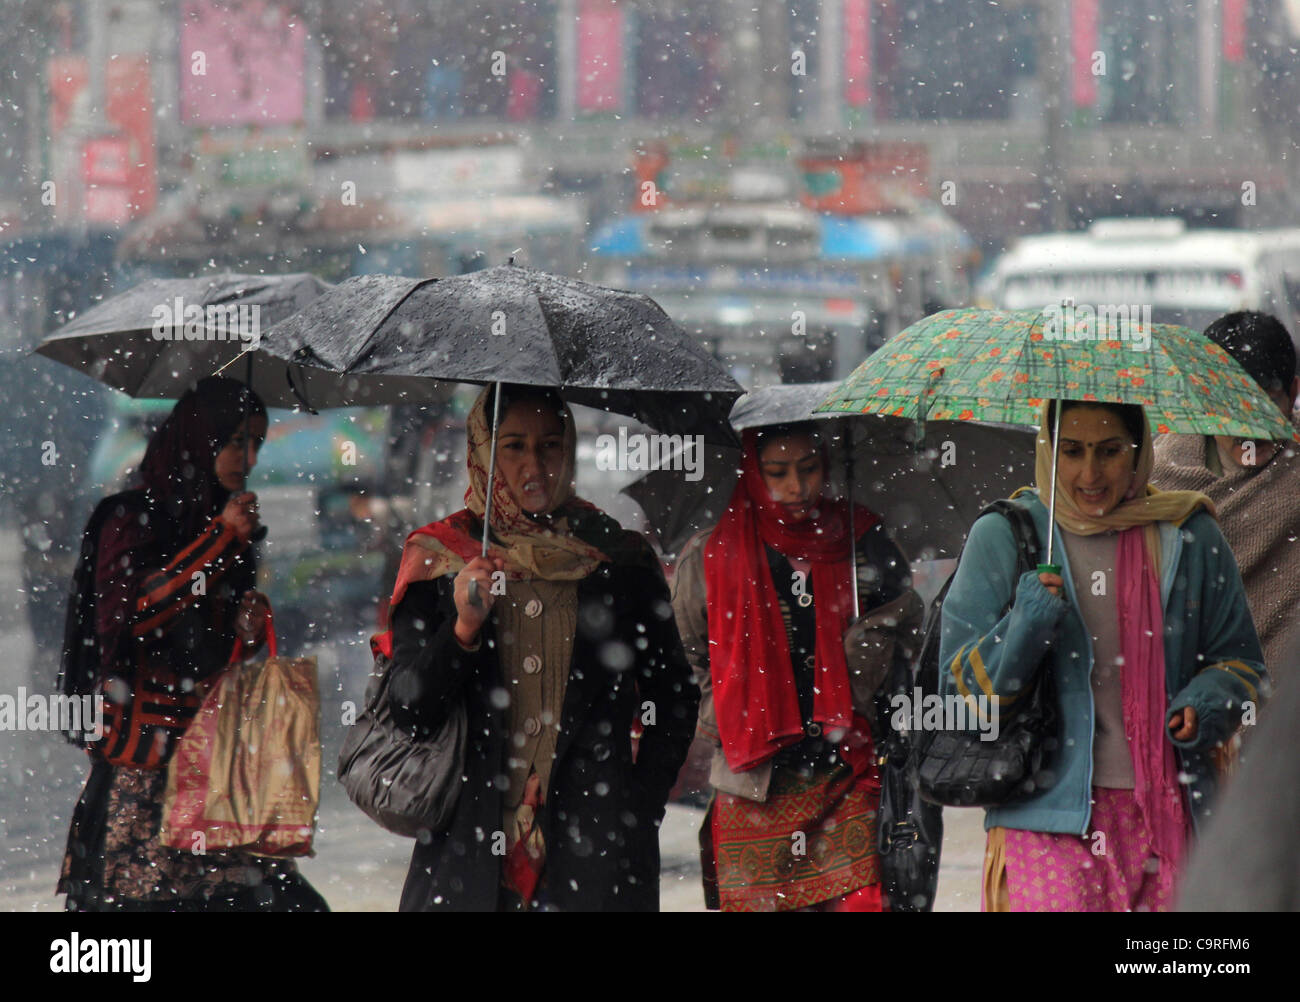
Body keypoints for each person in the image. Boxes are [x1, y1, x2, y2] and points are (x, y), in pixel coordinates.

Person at [376, 384, 698, 911]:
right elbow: (410, 712)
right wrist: (462, 629)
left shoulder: (619, 561)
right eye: (514, 446)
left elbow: (674, 701)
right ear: (483, 451)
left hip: (594, 861)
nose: (535, 464)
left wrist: (635, 810)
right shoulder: (441, 561)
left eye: (550, 445)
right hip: (471, 855)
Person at [940, 399, 1267, 912]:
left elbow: (1245, 665)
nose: (1089, 473)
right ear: (1050, 450)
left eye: (1110, 451)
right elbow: (957, 697)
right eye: (1072, 451)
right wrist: (1024, 627)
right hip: (1044, 816)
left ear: (1139, 452)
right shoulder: (1007, 537)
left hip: (1170, 812)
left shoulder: (1189, 533)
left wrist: (1206, 703)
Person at [58, 376, 327, 911]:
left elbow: (212, 654)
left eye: (256, 442)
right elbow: (131, 617)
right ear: (197, 441)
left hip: (217, 765)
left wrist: (245, 633)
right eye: (234, 442)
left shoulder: (232, 525)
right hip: (145, 767)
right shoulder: (128, 518)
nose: (247, 457)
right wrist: (220, 540)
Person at [671, 422, 924, 911]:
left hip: (845, 772)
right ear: (752, 474)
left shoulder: (862, 543)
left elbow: (910, 635)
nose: (796, 488)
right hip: (753, 785)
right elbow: (689, 656)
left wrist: (861, 650)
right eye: (777, 473)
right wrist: (727, 713)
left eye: (808, 469)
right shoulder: (712, 555)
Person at [1152, 311, 1300, 686]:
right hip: (1187, 703)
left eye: (1265, 402)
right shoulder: (1154, 474)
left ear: (1294, 393)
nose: (1249, 424)